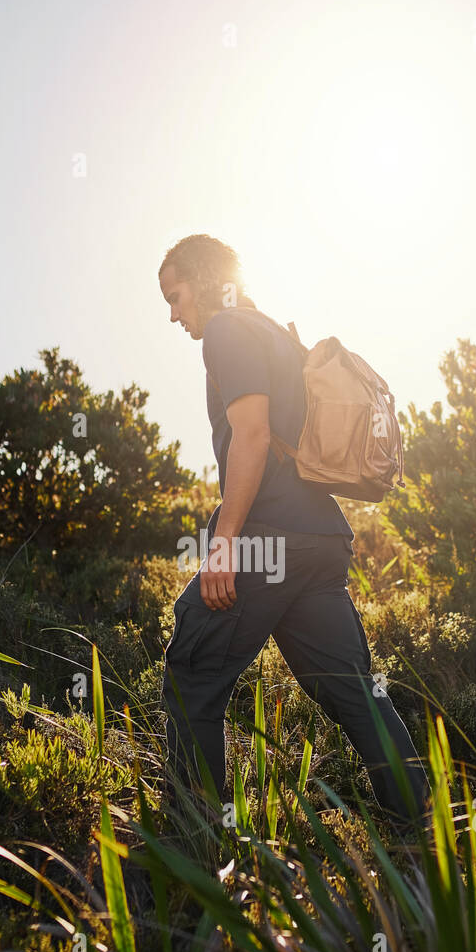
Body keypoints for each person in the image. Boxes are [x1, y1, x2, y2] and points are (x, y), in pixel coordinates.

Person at [157, 233, 432, 839]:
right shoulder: (276, 333)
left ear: (203, 281)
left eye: (175, 296)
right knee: (354, 690)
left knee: (191, 675)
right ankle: (420, 826)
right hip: (318, 541)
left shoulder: (228, 331)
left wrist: (225, 543)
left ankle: (195, 844)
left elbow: (252, 437)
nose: (173, 314)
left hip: (268, 539)